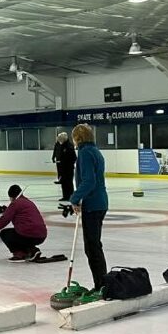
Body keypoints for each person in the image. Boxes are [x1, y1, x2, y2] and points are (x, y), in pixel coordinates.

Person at [68, 123, 108, 296]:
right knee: (94, 246)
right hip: (100, 202)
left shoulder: (85, 153)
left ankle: (101, 285)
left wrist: (75, 198)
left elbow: (89, 181)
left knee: (92, 248)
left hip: (92, 205)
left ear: (78, 138)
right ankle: (102, 283)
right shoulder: (95, 151)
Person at [0, 185, 48, 262]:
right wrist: (8, 210)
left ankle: (20, 254)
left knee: (5, 234)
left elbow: (3, 220)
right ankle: (32, 250)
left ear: (11, 196)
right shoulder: (28, 202)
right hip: (41, 235)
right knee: (20, 233)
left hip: (28, 235)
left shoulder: (15, 203)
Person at [56, 132, 76, 202]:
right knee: (64, 182)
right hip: (63, 168)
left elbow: (73, 157)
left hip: (68, 169)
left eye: (60, 139)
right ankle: (65, 196)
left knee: (69, 183)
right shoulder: (62, 146)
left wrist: (67, 164)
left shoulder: (69, 146)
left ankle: (70, 196)